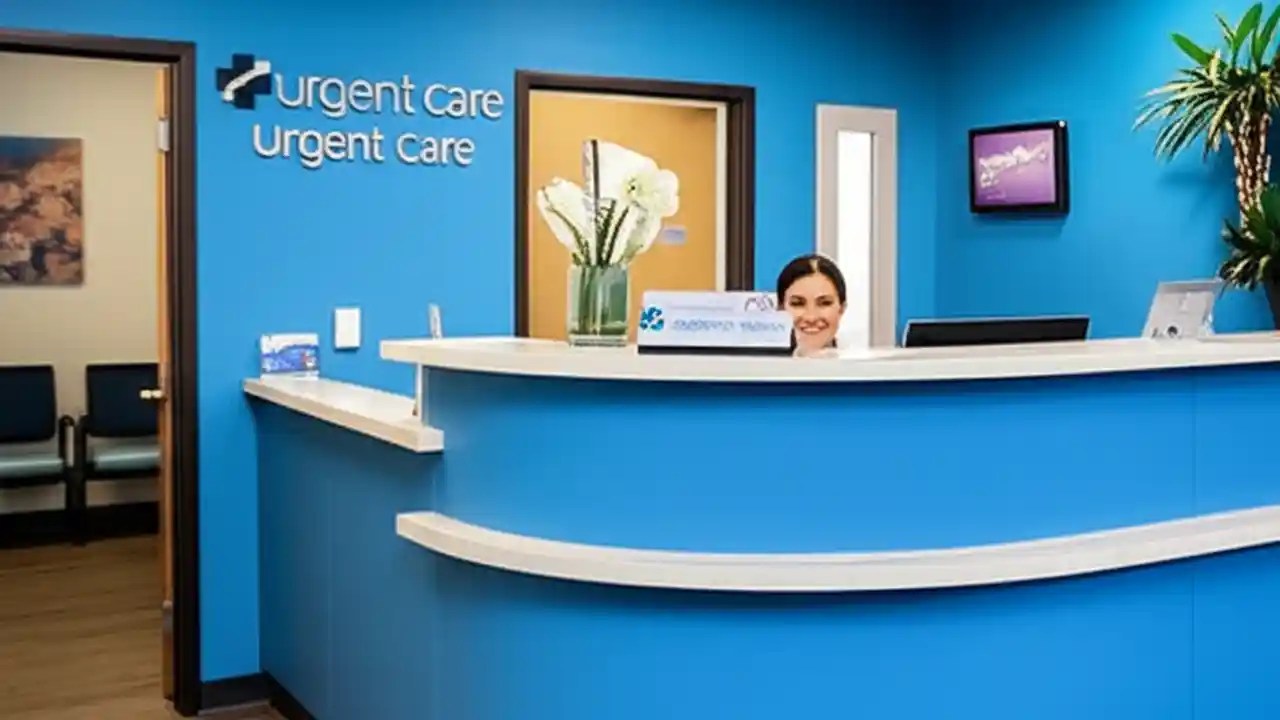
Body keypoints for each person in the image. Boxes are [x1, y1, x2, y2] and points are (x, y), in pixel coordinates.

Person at [775, 253, 847, 356]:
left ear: (841, 309)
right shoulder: (757, 368)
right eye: (797, 304)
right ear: (780, 309)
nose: (811, 318)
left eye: (824, 303)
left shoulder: (863, 368)